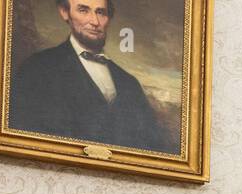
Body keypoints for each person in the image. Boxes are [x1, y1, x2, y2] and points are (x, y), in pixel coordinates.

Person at [9, 0, 170, 153]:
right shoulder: (38, 68)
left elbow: (153, 146)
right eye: (83, 10)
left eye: (101, 12)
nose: (95, 21)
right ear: (65, 12)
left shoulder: (129, 83)